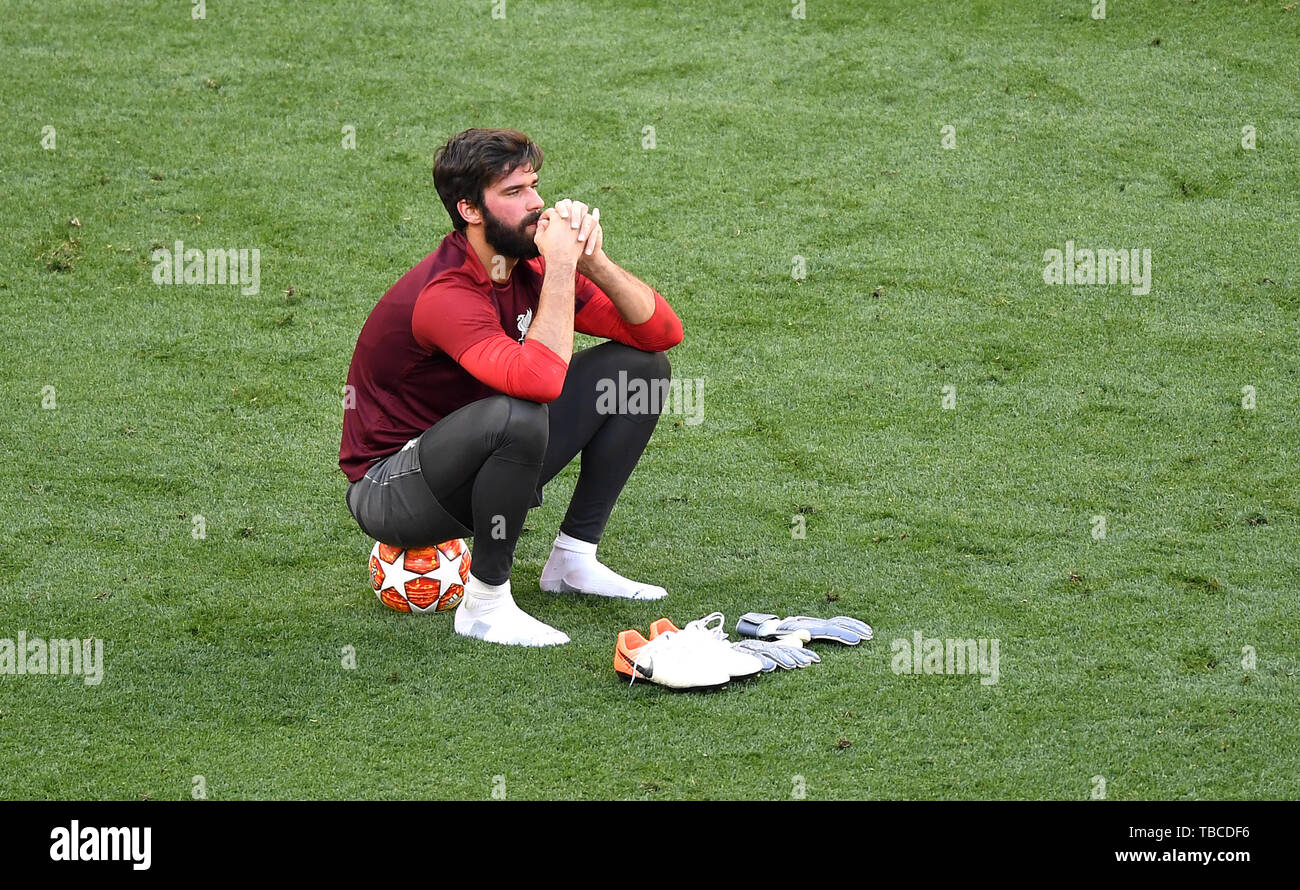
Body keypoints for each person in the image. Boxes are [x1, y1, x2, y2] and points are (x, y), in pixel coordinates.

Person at [339, 128, 684, 647]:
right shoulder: (446, 293)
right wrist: (563, 266)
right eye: (514, 192)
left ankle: (573, 560)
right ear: (470, 210)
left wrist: (593, 262)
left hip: (481, 459)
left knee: (640, 372)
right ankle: (485, 605)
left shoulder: (529, 267)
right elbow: (540, 382)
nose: (537, 203)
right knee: (519, 412)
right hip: (394, 491)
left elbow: (661, 333)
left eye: (534, 185)